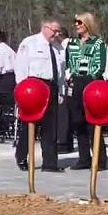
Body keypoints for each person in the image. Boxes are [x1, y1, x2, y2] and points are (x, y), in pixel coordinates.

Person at [13, 19, 65, 172]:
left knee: (51, 127)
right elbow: (21, 67)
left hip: (52, 86)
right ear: (45, 27)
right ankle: (22, 156)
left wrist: (61, 90)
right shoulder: (30, 43)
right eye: (54, 30)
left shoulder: (58, 48)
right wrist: (21, 89)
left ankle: (50, 162)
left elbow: (61, 72)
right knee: (30, 124)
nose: (56, 34)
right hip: (34, 86)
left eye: (58, 31)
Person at [63, 12, 108, 170]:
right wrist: (69, 76)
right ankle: (84, 158)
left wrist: (92, 79)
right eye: (75, 22)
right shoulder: (72, 43)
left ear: (87, 24)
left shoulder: (98, 43)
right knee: (78, 122)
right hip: (75, 82)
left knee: (93, 122)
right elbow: (68, 62)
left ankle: (100, 159)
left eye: (80, 22)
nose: (76, 25)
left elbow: (100, 65)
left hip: (91, 83)